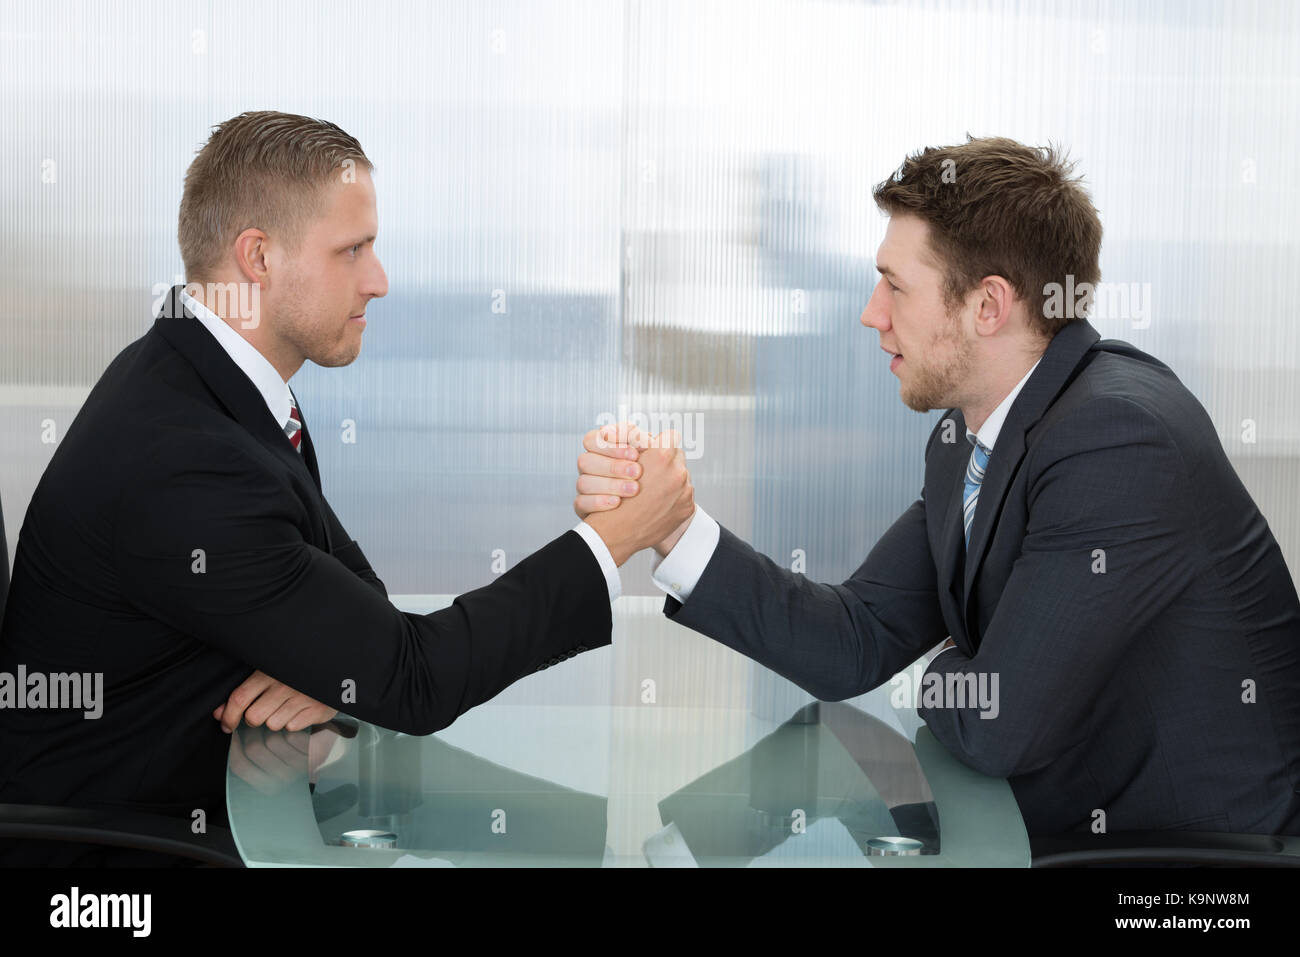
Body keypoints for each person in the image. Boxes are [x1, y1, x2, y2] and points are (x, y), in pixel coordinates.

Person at [0, 110, 694, 866]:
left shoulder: (210, 378)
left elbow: (357, 594)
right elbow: (415, 677)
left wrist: (338, 670)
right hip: (121, 858)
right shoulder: (188, 456)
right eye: (352, 250)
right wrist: (617, 536)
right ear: (257, 257)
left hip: (219, 801)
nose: (380, 279)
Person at [576, 136, 1300, 839]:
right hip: (1044, 828)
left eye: (895, 284)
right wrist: (672, 525)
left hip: (1195, 869)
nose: (871, 312)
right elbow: (853, 638)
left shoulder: (1117, 439)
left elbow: (994, 724)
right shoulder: (973, 437)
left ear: (988, 306)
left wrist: (942, 669)